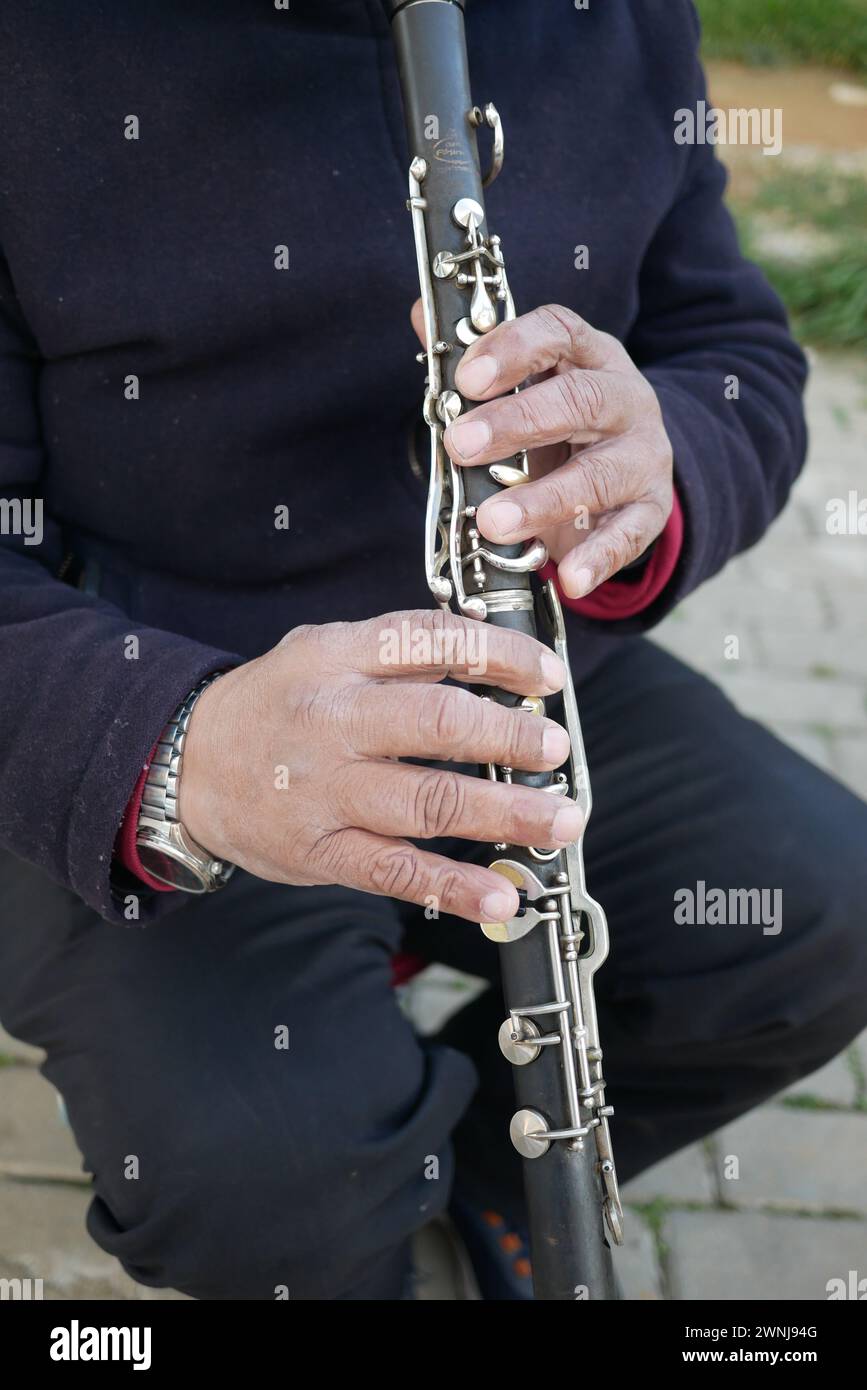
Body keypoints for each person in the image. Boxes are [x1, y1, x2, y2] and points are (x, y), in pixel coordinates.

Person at [0, 1, 864, 1301]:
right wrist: (176, 752)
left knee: (824, 915)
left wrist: (658, 455)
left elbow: (735, 351)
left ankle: (484, 1187)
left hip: (520, 655)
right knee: (272, 1185)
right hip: (163, 687)